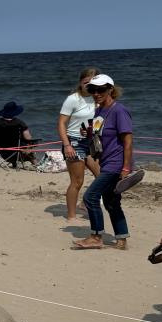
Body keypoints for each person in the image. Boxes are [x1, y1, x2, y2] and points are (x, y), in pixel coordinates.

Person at [73, 74, 133, 251]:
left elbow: (128, 141)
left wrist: (126, 167)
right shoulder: (99, 111)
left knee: (90, 197)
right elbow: (100, 135)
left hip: (116, 163)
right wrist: (88, 134)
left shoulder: (119, 110)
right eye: (92, 90)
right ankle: (122, 240)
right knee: (111, 202)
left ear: (110, 90)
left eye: (100, 89)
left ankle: (96, 236)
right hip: (105, 162)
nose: (96, 93)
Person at [57, 67, 101, 221]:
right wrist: (67, 145)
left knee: (102, 177)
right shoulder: (73, 99)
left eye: (93, 82)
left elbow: (100, 121)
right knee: (77, 181)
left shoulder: (99, 98)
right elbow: (61, 123)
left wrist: (91, 130)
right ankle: (71, 216)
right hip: (74, 142)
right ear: (81, 83)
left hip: (92, 141)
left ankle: (84, 203)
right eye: (86, 82)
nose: (89, 85)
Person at [0, 101, 35, 167]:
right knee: (30, 143)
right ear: (14, 113)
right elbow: (28, 138)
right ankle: (34, 163)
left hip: (0, 150)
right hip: (16, 150)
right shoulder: (19, 123)